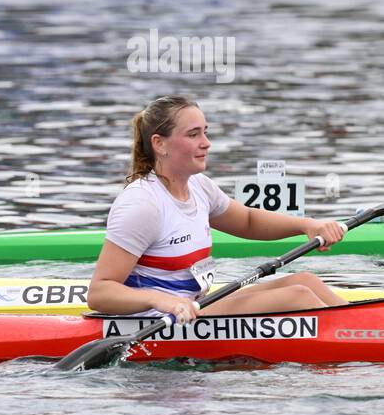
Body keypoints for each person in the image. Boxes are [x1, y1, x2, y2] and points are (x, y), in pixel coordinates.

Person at [87, 95, 347, 321]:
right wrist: (161, 300)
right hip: (160, 319)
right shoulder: (143, 204)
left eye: (205, 131)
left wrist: (307, 225)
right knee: (297, 297)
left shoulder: (200, 186)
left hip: (194, 307)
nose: (206, 142)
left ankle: (364, 332)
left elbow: (247, 221)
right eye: (193, 134)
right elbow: (100, 293)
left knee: (304, 281)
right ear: (159, 144)